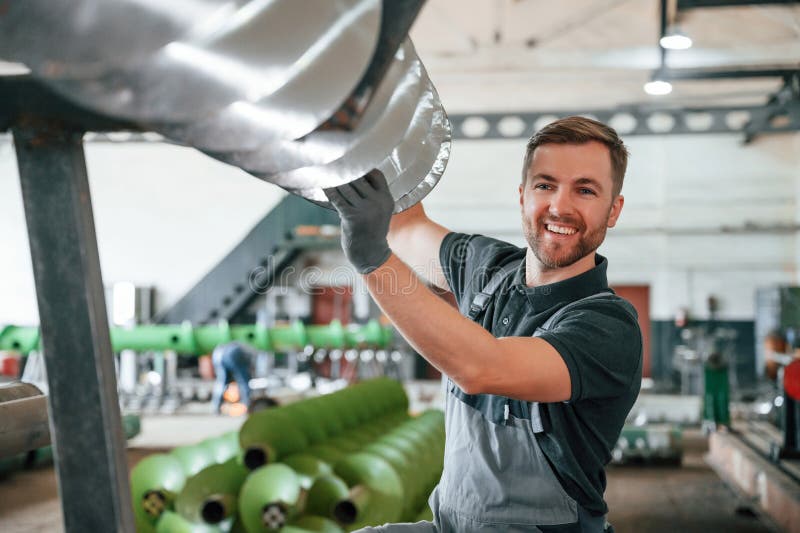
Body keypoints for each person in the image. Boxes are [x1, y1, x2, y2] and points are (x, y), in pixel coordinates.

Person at [324, 116, 643, 532]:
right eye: (545, 185)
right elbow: (406, 226)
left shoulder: (607, 326)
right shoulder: (486, 269)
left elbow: (481, 367)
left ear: (613, 209)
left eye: (585, 190)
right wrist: (366, 139)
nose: (560, 207)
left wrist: (373, 261)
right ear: (523, 195)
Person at [210, 341, 253, 414]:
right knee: (243, 381)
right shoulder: (252, 350)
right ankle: (247, 405)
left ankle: (216, 406)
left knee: (221, 381)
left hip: (218, 352)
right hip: (234, 352)